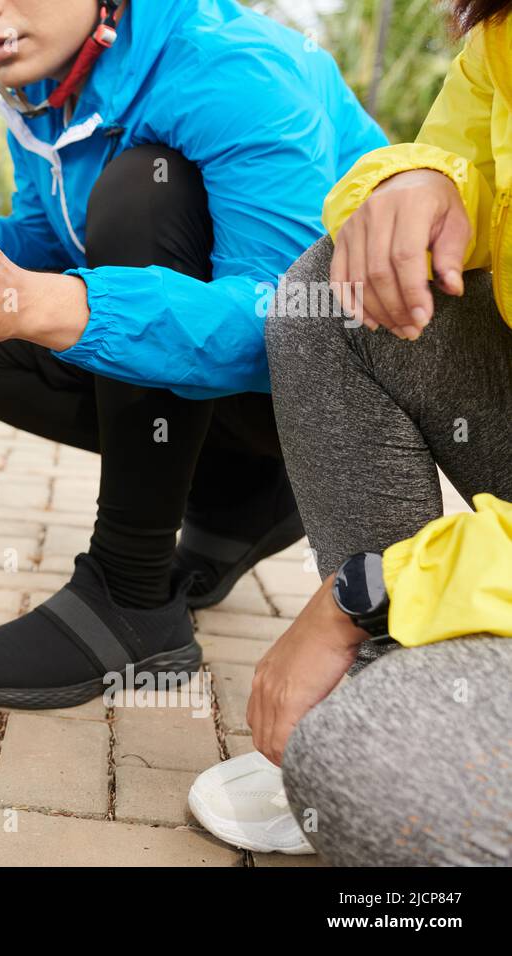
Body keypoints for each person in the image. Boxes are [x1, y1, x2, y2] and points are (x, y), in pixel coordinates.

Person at [0, 0, 385, 707]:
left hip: (349, 403)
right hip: (252, 408)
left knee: (143, 190)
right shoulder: (45, 93)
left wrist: (33, 301)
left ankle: (132, 593)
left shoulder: (230, 65)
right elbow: (45, 235)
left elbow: (290, 323)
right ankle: (241, 499)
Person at [231, 0, 512, 865]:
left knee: (372, 780)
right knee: (337, 290)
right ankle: (397, 683)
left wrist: (371, 590)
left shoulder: (226, 69)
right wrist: (411, 183)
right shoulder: (500, 37)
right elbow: (452, 189)